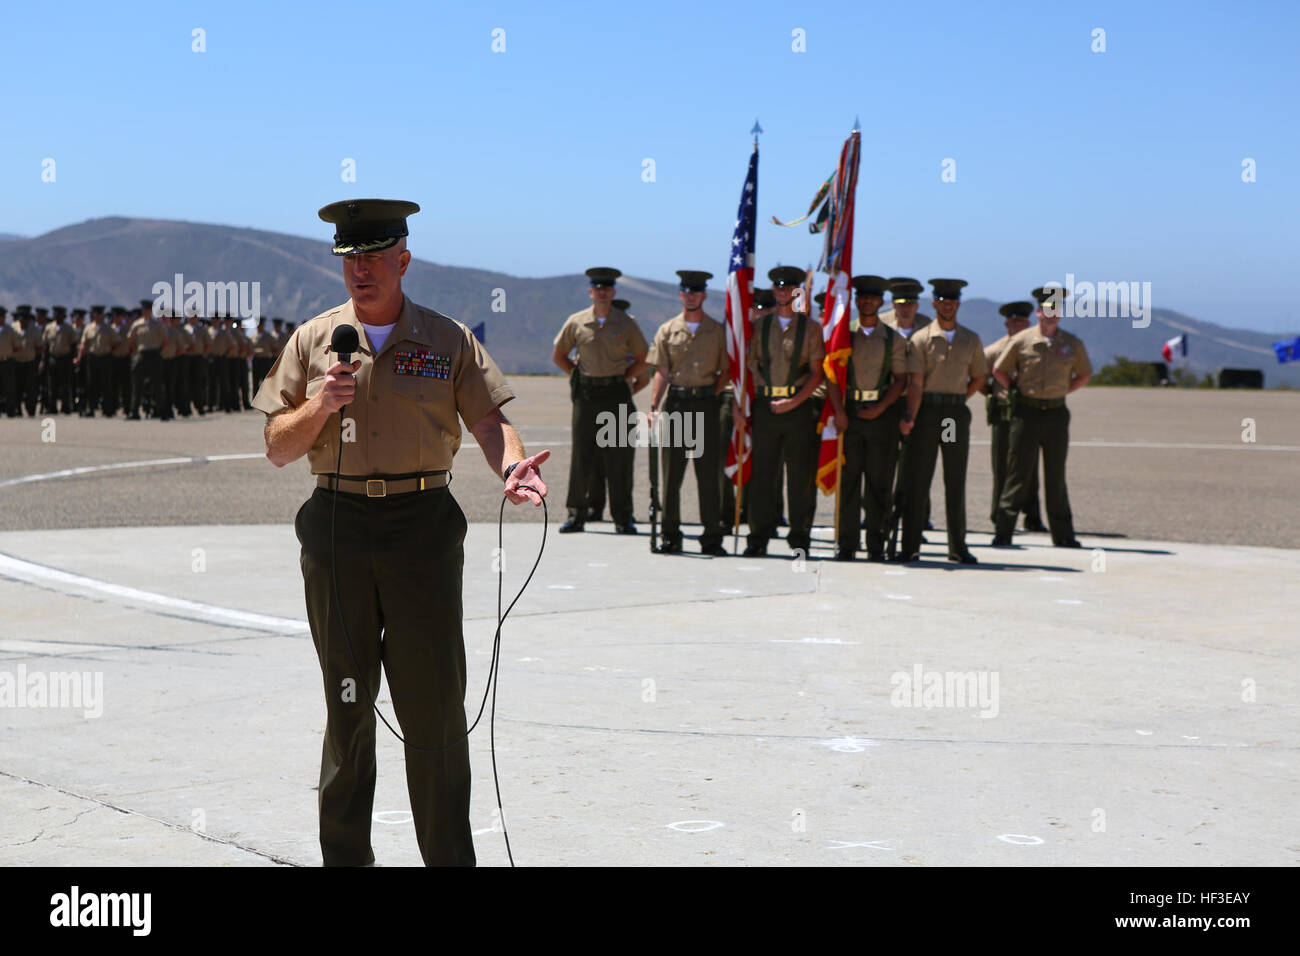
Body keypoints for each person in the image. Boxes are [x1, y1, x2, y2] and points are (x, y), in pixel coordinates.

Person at [254, 198, 548, 867]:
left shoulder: (447, 340)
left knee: (435, 708)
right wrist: (321, 405)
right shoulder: (313, 340)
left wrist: (513, 466)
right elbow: (276, 446)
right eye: (349, 259)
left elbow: (489, 420)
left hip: (422, 528)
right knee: (347, 707)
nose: (360, 271)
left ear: (403, 260)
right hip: (338, 527)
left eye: (374, 257)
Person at [991, 286, 1092, 548]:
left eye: (1056, 310)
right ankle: (1004, 531)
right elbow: (999, 369)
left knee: (1055, 475)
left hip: (1056, 413)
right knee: (1017, 473)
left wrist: (1063, 391)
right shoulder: (1022, 340)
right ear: (1038, 311)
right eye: (1047, 309)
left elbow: (1084, 373)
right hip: (1026, 412)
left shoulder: (1071, 343)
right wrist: (1015, 388)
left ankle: (1063, 534)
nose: (1051, 315)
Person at [551, 267, 649, 534]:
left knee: (619, 457)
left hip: (616, 394)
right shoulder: (577, 321)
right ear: (591, 292)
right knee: (582, 455)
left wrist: (624, 377)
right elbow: (559, 355)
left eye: (607, 288)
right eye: (598, 288)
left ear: (613, 292)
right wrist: (577, 375)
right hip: (587, 394)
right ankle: (576, 514)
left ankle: (622, 517)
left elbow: (643, 358)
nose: (603, 292)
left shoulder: (626, 323)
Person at [897, 278, 985, 564]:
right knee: (919, 479)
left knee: (954, 478)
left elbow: (979, 377)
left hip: (952, 417)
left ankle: (957, 546)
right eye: (943, 302)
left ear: (958, 304)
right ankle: (910, 545)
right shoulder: (921, 339)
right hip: (927, 413)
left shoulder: (970, 339)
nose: (948, 306)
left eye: (953, 302)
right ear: (934, 304)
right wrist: (910, 417)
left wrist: (958, 399)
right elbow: (917, 384)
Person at [743, 266, 825, 557]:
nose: (782, 293)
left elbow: (817, 373)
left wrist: (794, 401)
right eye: (778, 289)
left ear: (797, 292)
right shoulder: (759, 328)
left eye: (789, 289)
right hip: (765, 408)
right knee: (762, 475)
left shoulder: (811, 329)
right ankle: (758, 535)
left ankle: (800, 537)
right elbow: (749, 367)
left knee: (801, 477)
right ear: (774, 291)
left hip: (798, 409)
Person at [646, 270, 729, 556]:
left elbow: (725, 371)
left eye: (696, 291)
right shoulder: (667, 330)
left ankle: (712, 536)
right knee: (671, 476)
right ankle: (670, 534)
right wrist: (655, 406)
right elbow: (662, 371)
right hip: (677, 405)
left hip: (706, 404)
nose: (691, 295)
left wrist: (712, 397)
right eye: (686, 291)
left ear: (704, 295)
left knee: (708, 475)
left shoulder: (717, 331)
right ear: (680, 294)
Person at [826, 275, 906, 561]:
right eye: (862, 298)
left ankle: (876, 543)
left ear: (881, 302)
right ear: (856, 301)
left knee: (877, 483)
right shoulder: (843, 336)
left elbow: (899, 380)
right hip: (850, 415)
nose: (867, 302)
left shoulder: (893, 339)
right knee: (848, 482)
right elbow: (832, 376)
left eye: (872, 298)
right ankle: (846, 543)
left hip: (879, 418)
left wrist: (881, 408)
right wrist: (838, 412)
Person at [985, 302, 1043, 531]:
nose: (1018, 325)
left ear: (1029, 323)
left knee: (1030, 467)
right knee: (1001, 466)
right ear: (1007, 323)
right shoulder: (994, 351)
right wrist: (997, 396)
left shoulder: (1036, 347)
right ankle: (998, 516)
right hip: (1004, 414)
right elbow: (980, 379)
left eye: (1022, 321)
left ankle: (1033, 517)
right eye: (1014, 321)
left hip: (1029, 412)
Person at [126, 299, 166, 419]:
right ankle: (134, 412)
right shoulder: (137, 324)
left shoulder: (157, 325)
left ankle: (162, 412)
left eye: (148, 309)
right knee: (137, 385)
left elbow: (165, 341)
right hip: (141, 355)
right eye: (144, 309)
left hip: (154, 354)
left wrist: (158, 353)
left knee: (157, 385)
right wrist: (136, 352)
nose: (146, 311)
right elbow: (131, 340)